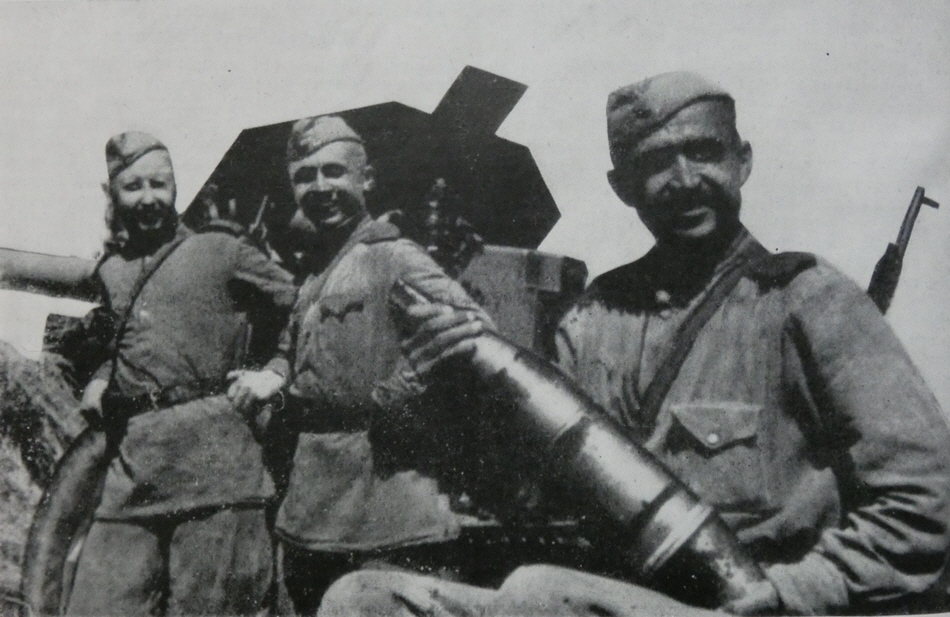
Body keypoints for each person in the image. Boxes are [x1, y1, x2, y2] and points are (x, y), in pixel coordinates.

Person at [316, 72, 950, 616]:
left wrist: (793, 591)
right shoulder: (596, 315)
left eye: (704, 153)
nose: (684, 179)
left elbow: (925, 502)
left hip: (749, 602)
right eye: (654, 163)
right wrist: (457, 384)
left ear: (743, 161)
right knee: (362, 597)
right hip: (611, 595)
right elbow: (528, 495)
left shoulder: (808, 300)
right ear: (622, 186)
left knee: (537, 593)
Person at [227, 115, 498, 615]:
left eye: (334, 172)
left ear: (365, 180)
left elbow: (477, 333)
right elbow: (292, 350)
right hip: (312, 505)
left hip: (386, 507)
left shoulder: (396, 257)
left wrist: (399, 390)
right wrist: (272, 375)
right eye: (306, 177)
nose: (321, 187)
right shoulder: (315, 273)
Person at [65, 131, 296, 616]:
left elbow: (306, 306)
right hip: (134, 470)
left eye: (160, 184)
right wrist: (105, 374)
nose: (149, 198)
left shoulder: (222, 250)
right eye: (133, 187)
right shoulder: (113, 271)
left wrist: (277, 370)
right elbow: (124, 339)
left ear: (175, 188)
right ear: (114, 195)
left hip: (216, 472)